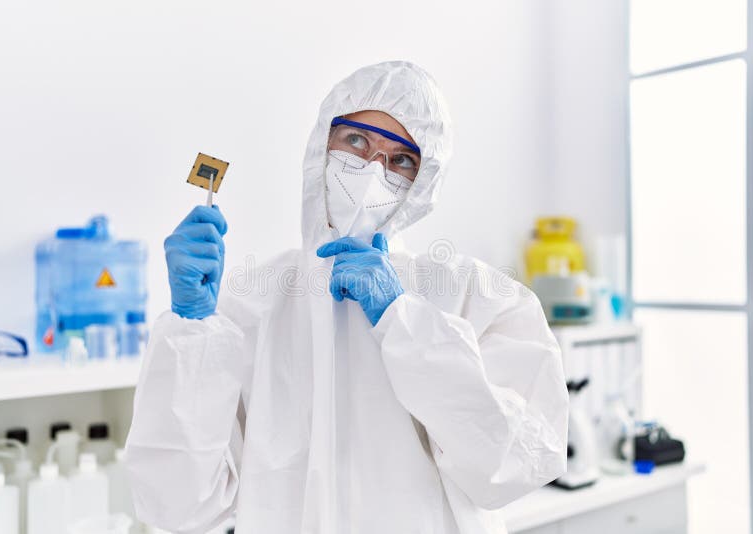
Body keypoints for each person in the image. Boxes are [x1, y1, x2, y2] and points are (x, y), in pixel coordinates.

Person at [125, 61, 568, 534]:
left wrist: (403, 320)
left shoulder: (471, 295)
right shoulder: (252, 305)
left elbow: (517, 464)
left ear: (423, 185)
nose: (372, 171)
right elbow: (179, 507)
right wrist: (192, 327)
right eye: (356, 141)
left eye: (401, 160)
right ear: (322, 144)